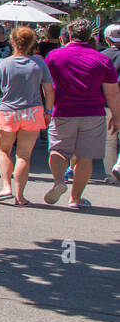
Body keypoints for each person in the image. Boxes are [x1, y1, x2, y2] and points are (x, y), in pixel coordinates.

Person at [44, 19, 120, 208]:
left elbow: (48, 88)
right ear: (92, 37)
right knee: (85, 157)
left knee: (57, 149)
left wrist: (47, 109)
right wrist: (117, 116)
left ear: (69, 36)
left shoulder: (54, 56)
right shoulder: (101, 59)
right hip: (93, 112)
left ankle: (59, 181)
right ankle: (75, 199)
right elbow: (112, 91)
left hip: (63, 110)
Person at [0, 27, 54, 206]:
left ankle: (6, 187)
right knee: (24, 155)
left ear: (12, 41)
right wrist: (48, 112)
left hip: (7, 111)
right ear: (32, 43)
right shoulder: (39, 64)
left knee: (3, 151)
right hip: (32, 112)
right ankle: (20, 196)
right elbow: (49, 91)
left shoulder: (2, 63)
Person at [103, 23, 120, 184]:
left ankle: (111, 175)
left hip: (106, 103)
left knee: (109, 141)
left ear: (107, 39)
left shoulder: (102, 56)